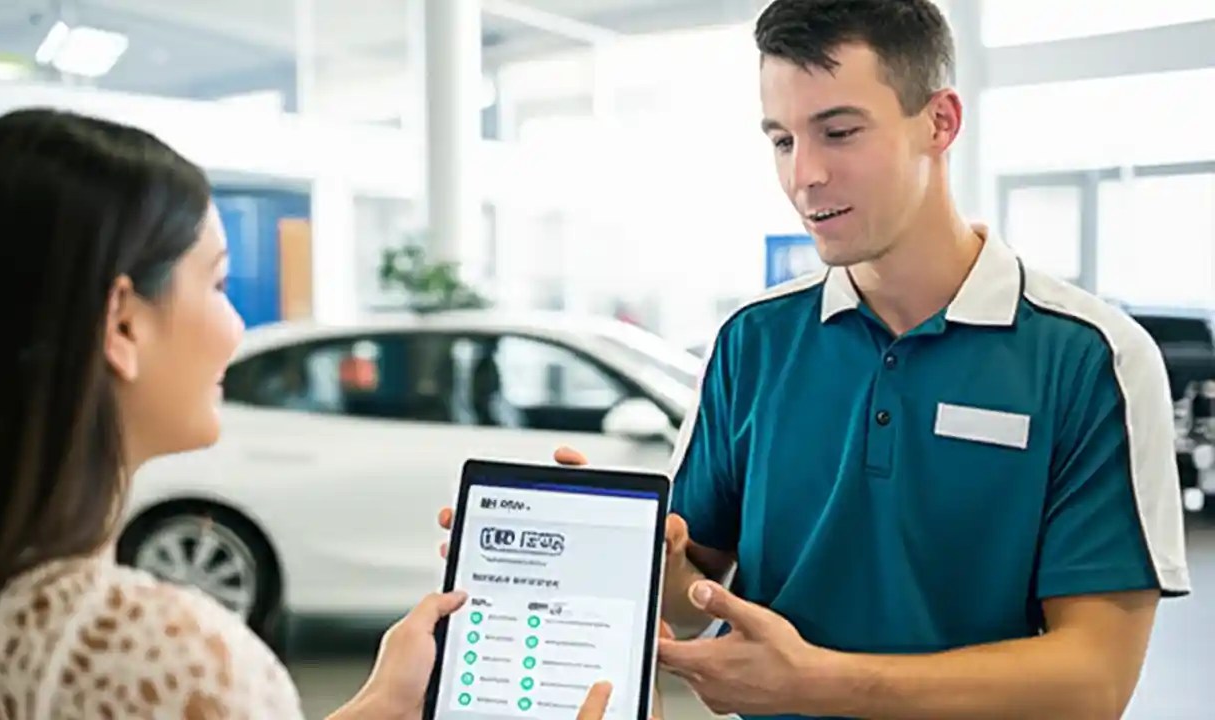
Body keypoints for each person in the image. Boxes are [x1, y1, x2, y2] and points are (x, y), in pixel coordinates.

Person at [443, 1, 1190, 718]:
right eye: (782, 139)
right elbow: (690, 596)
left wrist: (821, 684)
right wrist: (611, 548)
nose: (805, 175)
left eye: (839, 132)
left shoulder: (1090, 358)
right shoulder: (754, 342)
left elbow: (1092, 682)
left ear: (940, 121)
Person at [0, 108, 616, 720]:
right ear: (123, 326)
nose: (237, 329)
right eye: (219, 283)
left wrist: (379, 708)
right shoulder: (169, 660)